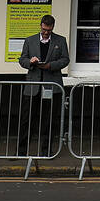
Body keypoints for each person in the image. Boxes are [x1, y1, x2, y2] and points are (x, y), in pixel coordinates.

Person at [16, 15, 69, 157]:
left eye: (49, 30)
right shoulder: (30, 40)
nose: (46, 33)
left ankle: (46, 152)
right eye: (44, 29)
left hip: (51, 85)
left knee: (49, 120)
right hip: (33, 86)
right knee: (27, 120)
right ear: (40, 25)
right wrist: (30, 62)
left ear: (53, 27)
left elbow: (65, 60)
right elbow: (22, 59)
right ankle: (21, 152)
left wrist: (50, 65)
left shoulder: (61, 40)